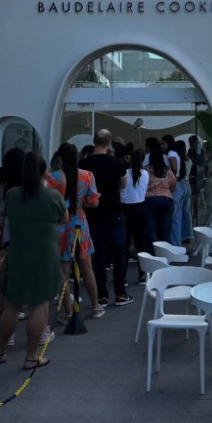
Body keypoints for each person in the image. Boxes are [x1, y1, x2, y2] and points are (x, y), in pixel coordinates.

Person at [0, 153, 66, 369]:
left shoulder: (12, 195)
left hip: (18, 254)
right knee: (39, 305)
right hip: (45, 255)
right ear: (44, 172)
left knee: (12, 305)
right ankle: (31, 356)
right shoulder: (52, 196)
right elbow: (63, 219)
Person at [47, 143, 103, 320]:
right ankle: (95, 306)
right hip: (80, 223)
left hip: (59, 226)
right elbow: (94, 202)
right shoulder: (87, 176)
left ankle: (68, 312)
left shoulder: (51, 177)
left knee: (62, 271)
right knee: (86, 267)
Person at [80, 129, 133, 307]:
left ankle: (101, 295)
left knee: (99, 254)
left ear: (94, 141)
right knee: (119, 252)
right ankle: (120, 293)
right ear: (109, 144)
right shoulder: (117, 163)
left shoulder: (84, 163)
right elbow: (124, 186)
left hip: (93, 213)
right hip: (114, 212)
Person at [0, 148, 26, 318]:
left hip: (2, 229)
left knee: (1, 267)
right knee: (18, 268)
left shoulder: (1, 180)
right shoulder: (23, 183)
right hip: (19, 230)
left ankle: (2, 304)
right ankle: (15, 305)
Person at [121, 148, 149, 284]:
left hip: (126, 209)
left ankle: (122, 277)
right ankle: (142, 274)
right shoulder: (146, 174)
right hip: (140, 208)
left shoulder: (125, 173)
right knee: (140, 244)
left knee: (124, 245)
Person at [144, 144, 176, 255]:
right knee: (165, 230)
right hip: (167, 200)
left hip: (150, 200)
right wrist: (167, 192)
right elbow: (173, 183)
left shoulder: (147, 170)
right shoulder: (167, 170)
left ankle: (154, 256)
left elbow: (143, 185)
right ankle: (166, 255)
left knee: (152, 231)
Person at [173, 139, 193, 245]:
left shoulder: (178, 160)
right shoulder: (188, 159)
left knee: (177, 214)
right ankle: (188, 235)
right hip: (188, 185)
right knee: (186, 213)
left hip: (180, 185)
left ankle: (177, 239)